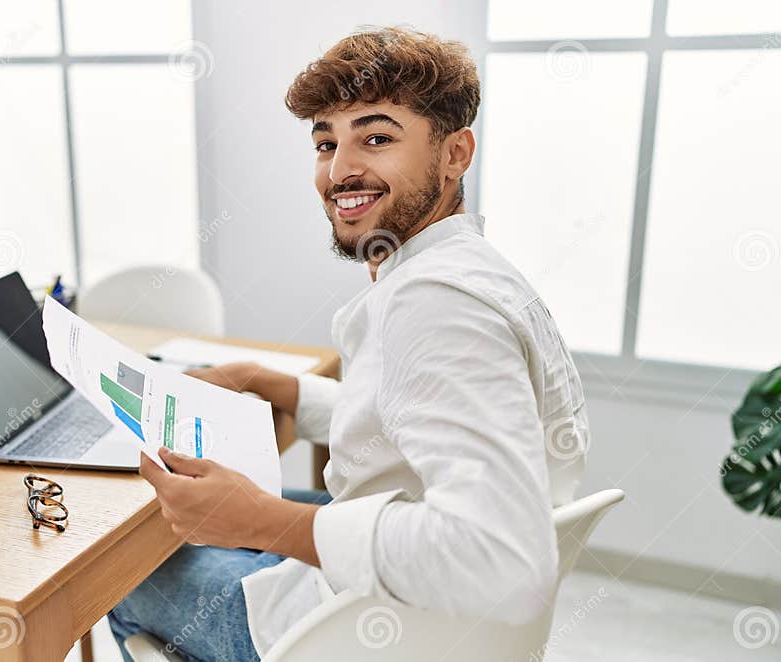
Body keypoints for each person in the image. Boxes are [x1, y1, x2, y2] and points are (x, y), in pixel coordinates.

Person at [109, 26, 588, 661]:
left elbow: (503, 565)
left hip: (359, 636)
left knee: (123, 574)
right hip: (420, 611)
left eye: (377, 137)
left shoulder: (436, 304)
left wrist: (259, 522)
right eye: (325, 143)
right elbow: (413, 420)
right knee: (206, 524)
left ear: (455, 153)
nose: (340, 171)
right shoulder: (472, 269)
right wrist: (272, 383)